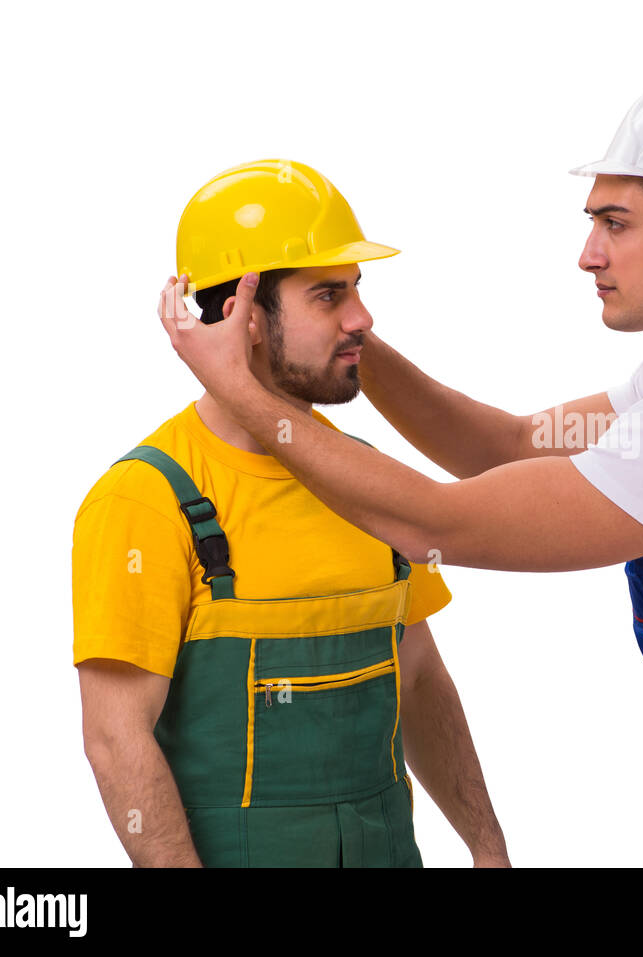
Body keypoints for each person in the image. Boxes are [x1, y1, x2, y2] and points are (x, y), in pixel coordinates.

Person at [159, 83, 643, 867]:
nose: (587, 253)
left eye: (614, 223)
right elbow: (511, 443)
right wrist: (341, 335)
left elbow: (436, 524)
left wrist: (244, 391)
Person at [75, 159, 508, 867]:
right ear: (239, 318)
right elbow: (116, 738)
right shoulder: (148, 499)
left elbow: (420, 673)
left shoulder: (365, 482)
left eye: (357, 291)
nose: (362, 319)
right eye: (328, 295)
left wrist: (488, 848)